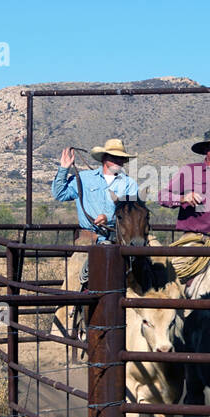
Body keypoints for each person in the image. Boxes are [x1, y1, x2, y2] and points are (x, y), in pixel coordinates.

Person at [50, 139, 141, 334]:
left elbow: (133, 213)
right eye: (115, 157)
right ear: (105, 158)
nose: (119, 161)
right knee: (74, 281)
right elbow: (59, 194)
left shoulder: (129, 184)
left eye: (122, 159)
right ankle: (64, 332)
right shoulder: (84, 178)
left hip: (117, 241)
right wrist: (63, 169)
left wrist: (109, 218)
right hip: (88, 241)